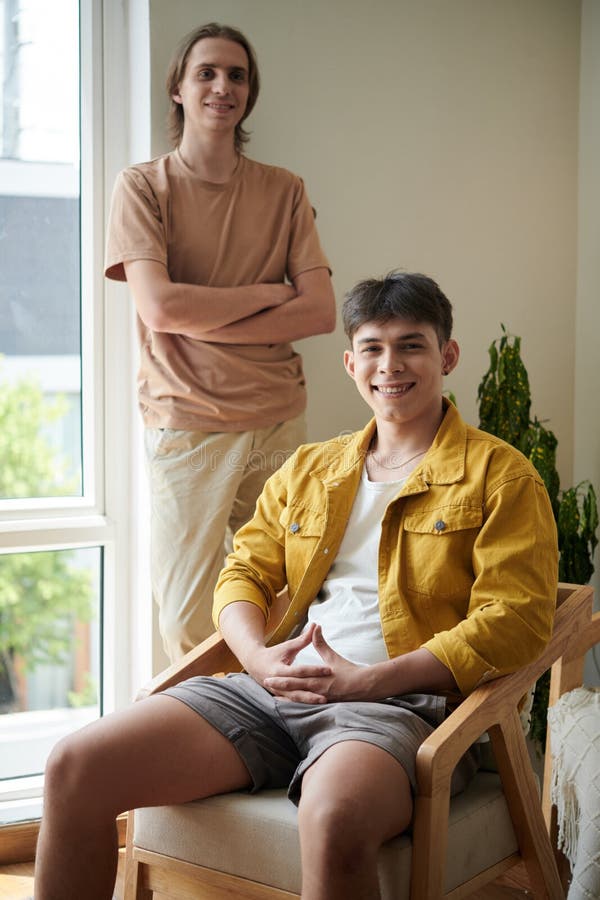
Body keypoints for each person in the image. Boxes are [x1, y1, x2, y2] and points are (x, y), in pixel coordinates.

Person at [34, 271, 558, 900]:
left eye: (411, 345)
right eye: (372, 347)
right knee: (74, 766)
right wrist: (256, 657)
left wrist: (369, 681)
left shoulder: (501, 477)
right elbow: (243, 573)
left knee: (333, 818)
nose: (390, 364)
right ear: (350, 362)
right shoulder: (311, 468)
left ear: (447, 355)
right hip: (269, 692)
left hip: (394, 708)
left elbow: (514, 619)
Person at [104, 22, 335, 660]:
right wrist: (267, 293)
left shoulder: (285, 189)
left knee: (281, 597)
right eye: (205, 72)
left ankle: (257, 736)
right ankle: (206, 739)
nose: (222, 86)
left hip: (277, 418)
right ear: (177, 89)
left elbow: (318, 313)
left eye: (236, 75)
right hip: (189, 422)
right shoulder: (143, 186)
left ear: (249, 93)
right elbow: (158, 305)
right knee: (184, 614)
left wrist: (199, 311)